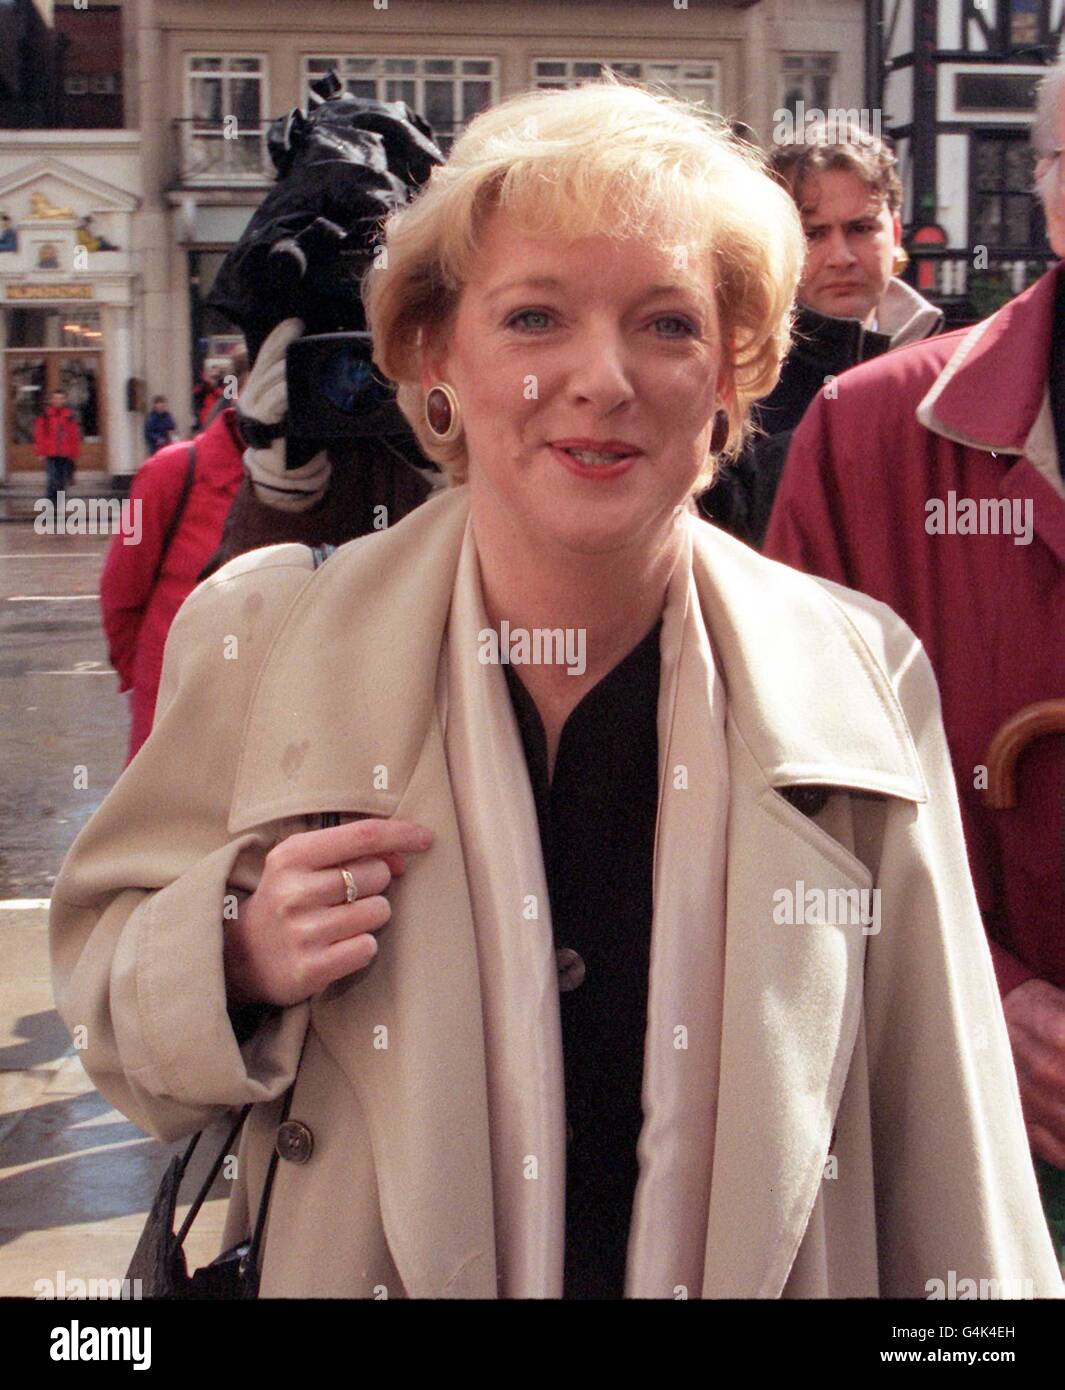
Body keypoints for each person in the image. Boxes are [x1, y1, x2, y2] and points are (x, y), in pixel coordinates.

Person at [50, 78, 1061, 1299]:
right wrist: (233, 953)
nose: (604, 377)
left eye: (669, 324)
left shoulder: (857, 673)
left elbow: (945, 1144)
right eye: (534, 319)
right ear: (436, 356)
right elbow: (107, 993)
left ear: (735, 377)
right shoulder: (268, 636)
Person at [763, 55, 1065, 1265]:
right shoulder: (867, 436)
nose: (842, 254)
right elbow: (790, 798)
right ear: (1051, 186)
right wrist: (985, 1002)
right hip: (976, 1141)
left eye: (860, 225)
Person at [700, 121, 942, 547]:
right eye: (815, 234)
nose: (842, 257)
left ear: (897, 233)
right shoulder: (732, 380)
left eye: (861, 229)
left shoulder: (949, 366)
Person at [100, 383, 246, 762]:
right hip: (177, 723)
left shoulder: (336, 472)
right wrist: (154, 683)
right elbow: (121, 590)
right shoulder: (170, 471)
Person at [34, 388, 81, 511]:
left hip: (65, 454)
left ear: (64, 400)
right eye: (56, 398)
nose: (58, 401)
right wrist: (40, 452)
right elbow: (40, 435)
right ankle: (49, 507)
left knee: (61, 482)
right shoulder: (45, 415)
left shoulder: (70, 416)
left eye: (61, 398)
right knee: (52, 480)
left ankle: (58, 507)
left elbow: (74, 436)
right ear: (51, 400)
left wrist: (74, 454)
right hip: (51, 453)